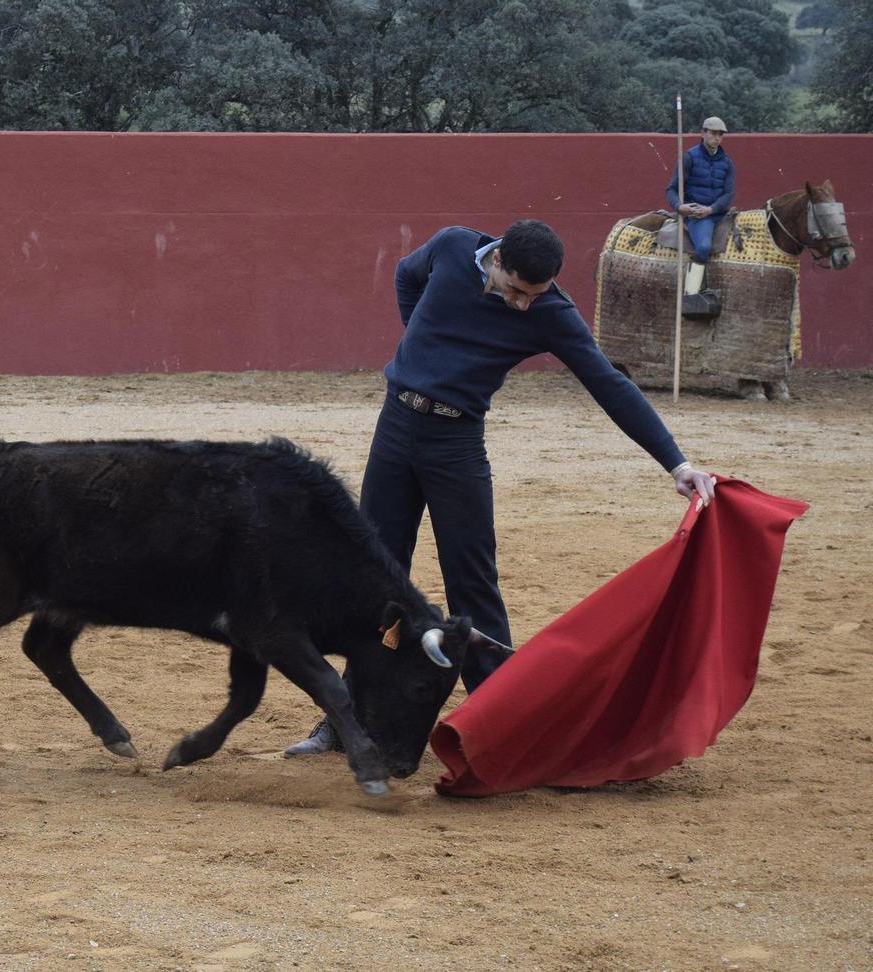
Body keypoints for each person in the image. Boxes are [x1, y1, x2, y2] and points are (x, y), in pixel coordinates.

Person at [285, 219, 716, 756]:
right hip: (395, 428)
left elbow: (609, 383)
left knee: (472, 579)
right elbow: (404, 274)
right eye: (513, 289)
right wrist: (419, 341)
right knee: (377, 576)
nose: (520, 306)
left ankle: (498, 724)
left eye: (532, 297)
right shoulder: (451, 248)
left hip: (457, 443)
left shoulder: (550, 313)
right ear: (494, 260)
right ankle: (349, 719)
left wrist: (676, 464)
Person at [666, 116, 735, 297]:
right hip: (697, 215)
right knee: (703, 248)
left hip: (718, 213)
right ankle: (691, 295)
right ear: (703, 133)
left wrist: (711, 209)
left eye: (721, 134)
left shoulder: (727, 163)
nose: (717, 138)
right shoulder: (689, 157)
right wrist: (680, 207)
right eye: (713, 133)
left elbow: (728, 194)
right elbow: (671, 190)